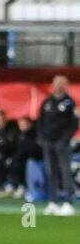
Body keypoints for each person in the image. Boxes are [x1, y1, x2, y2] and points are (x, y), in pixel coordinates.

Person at [37, 74, 77, 214]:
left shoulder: (69, 103)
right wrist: (41, 138)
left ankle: (68, 202)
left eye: (61, 84)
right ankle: (52, 201)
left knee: (65, 171)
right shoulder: (47, 102)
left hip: (62, 143)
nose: (58, 86)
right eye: (56, 83)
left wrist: (64, 139)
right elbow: (40, 121)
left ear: (66, 85)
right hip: (48, 142)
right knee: (50, 172)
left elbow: (73, 124)